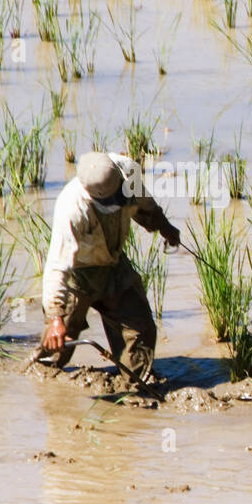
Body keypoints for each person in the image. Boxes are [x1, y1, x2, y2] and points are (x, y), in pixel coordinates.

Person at [39, 152, 180, 383]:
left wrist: (164, 226)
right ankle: (43, 388)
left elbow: (145, 204)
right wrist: (56, 317)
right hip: (78, 272)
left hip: (113, 264)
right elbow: (57, 265)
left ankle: (136, 383)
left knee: (140, 328)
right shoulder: (71, 207)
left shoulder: (128, 171)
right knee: (57, 345)